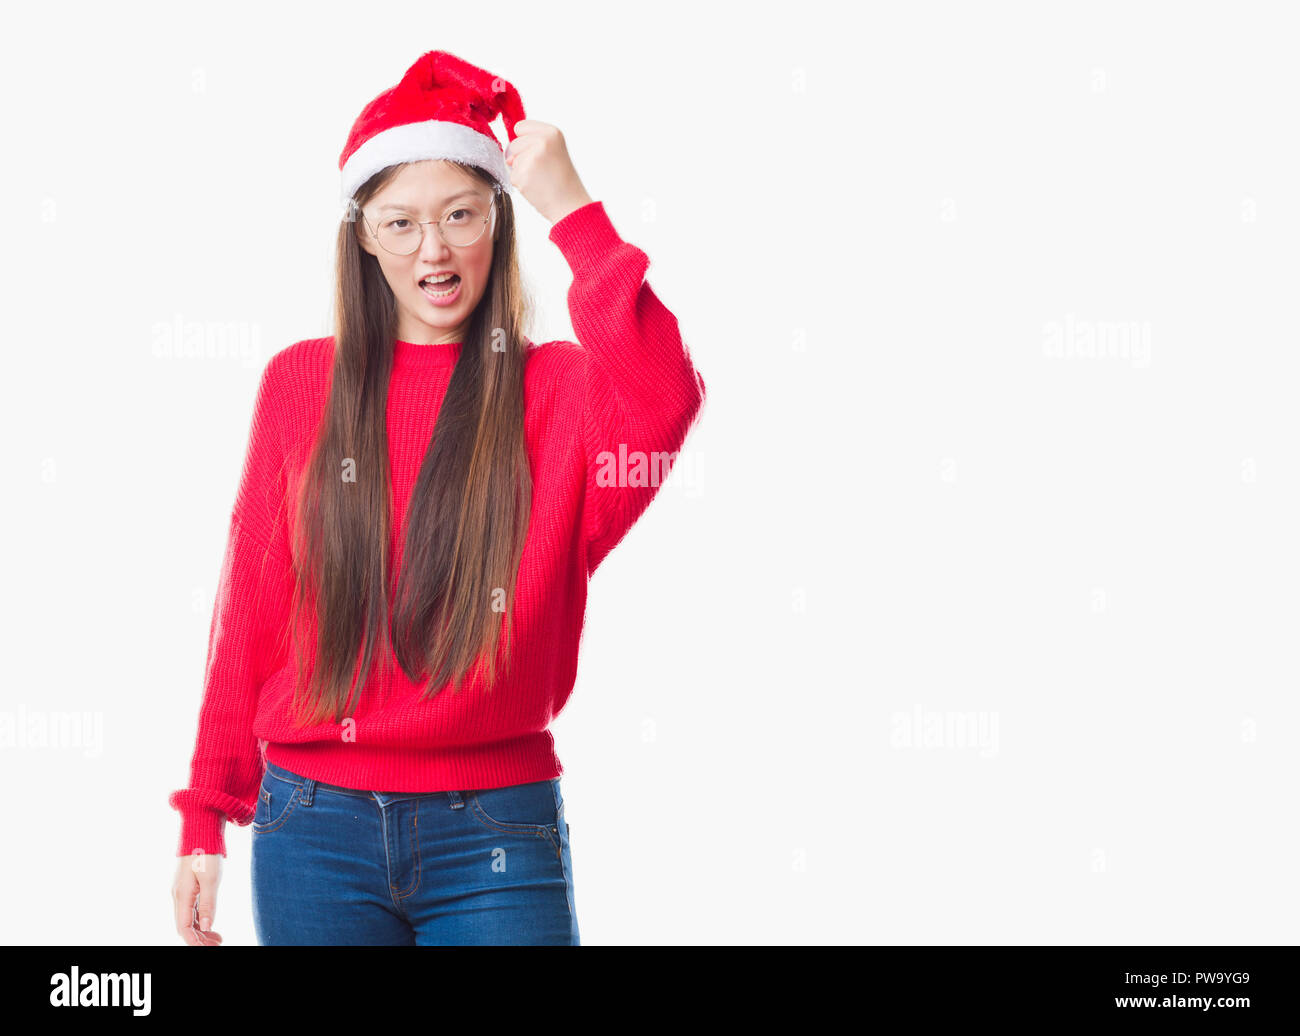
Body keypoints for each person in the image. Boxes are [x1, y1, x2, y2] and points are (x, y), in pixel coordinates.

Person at [167, 50, 706, 946]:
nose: (435, 250)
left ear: (499, 222)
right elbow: (252, 610)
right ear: (364, 237)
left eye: (462, 215)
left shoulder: (559, 393)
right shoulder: (303, 384)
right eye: (401, 223)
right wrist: (204, 813)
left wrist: (575, 211)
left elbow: (665, 395)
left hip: (496, 828)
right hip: (312, 827)